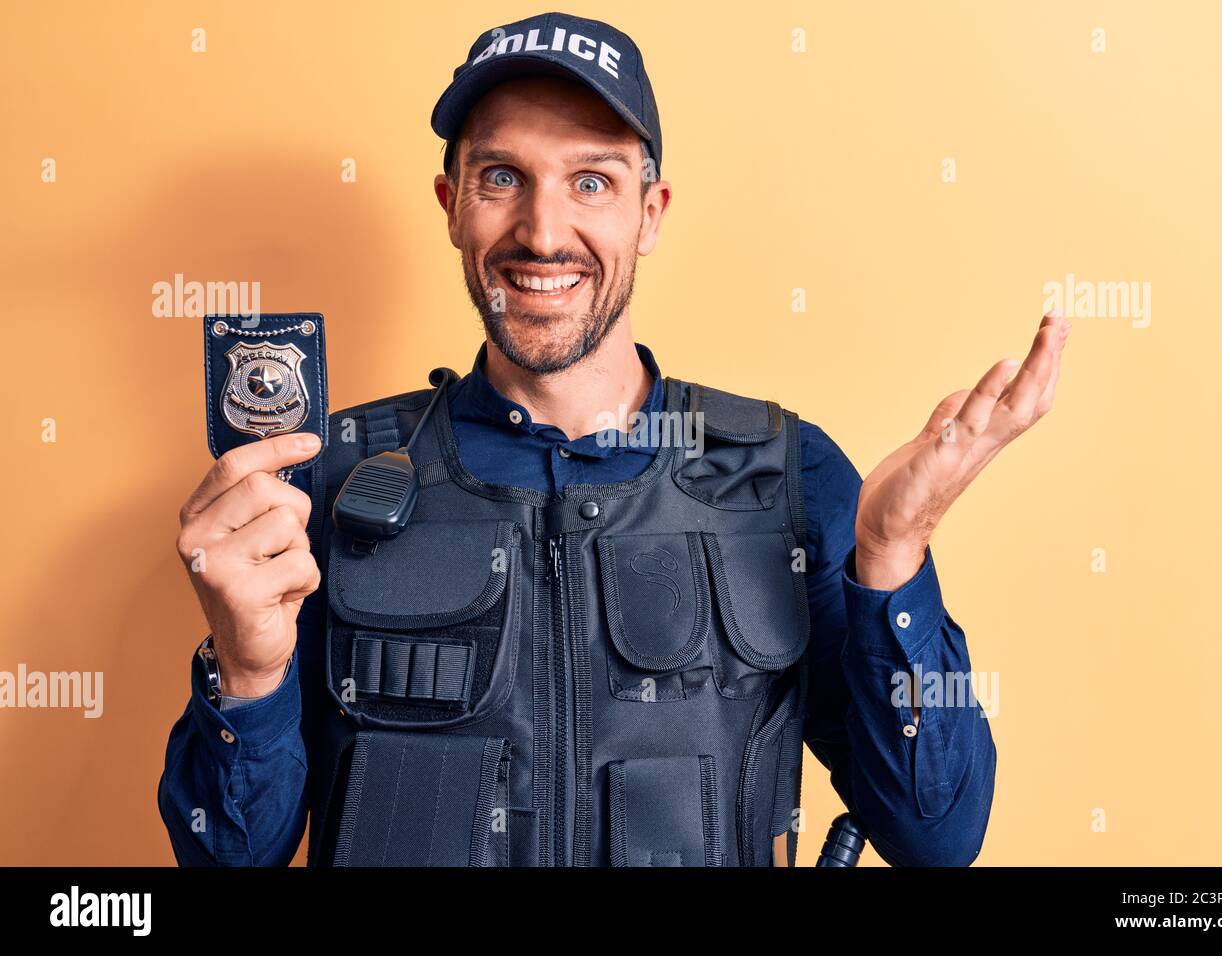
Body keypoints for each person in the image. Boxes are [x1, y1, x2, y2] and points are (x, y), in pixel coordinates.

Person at [159, 11, 1067, 867]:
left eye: (591, 181)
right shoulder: (324, 480)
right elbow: (228, 855)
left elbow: (937, 834)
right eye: (502, 177)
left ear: (652, 212)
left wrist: (894, 557)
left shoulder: (783, 472)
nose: (544, 233)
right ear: (451, 204)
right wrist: (244, 671)